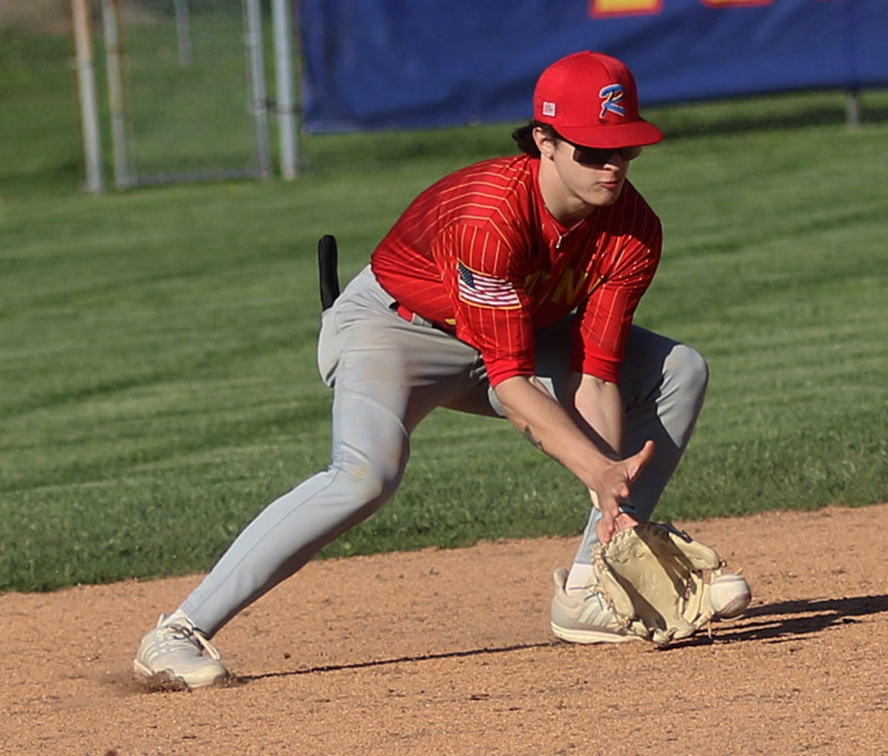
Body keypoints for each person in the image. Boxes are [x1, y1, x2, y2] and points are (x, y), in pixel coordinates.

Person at [134, 51, 713, 689]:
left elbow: (597, 375)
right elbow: (512, 387)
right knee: (364, 477)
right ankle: (178, 631)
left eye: (624, 151)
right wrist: (599, 470)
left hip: (514, 336)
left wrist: (611, 497)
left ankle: (588, 590)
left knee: (676, 369)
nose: (613, 167)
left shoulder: (633, 227)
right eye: (592, 151)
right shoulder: (492, 215)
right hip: (396, 332)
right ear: (544, 141)